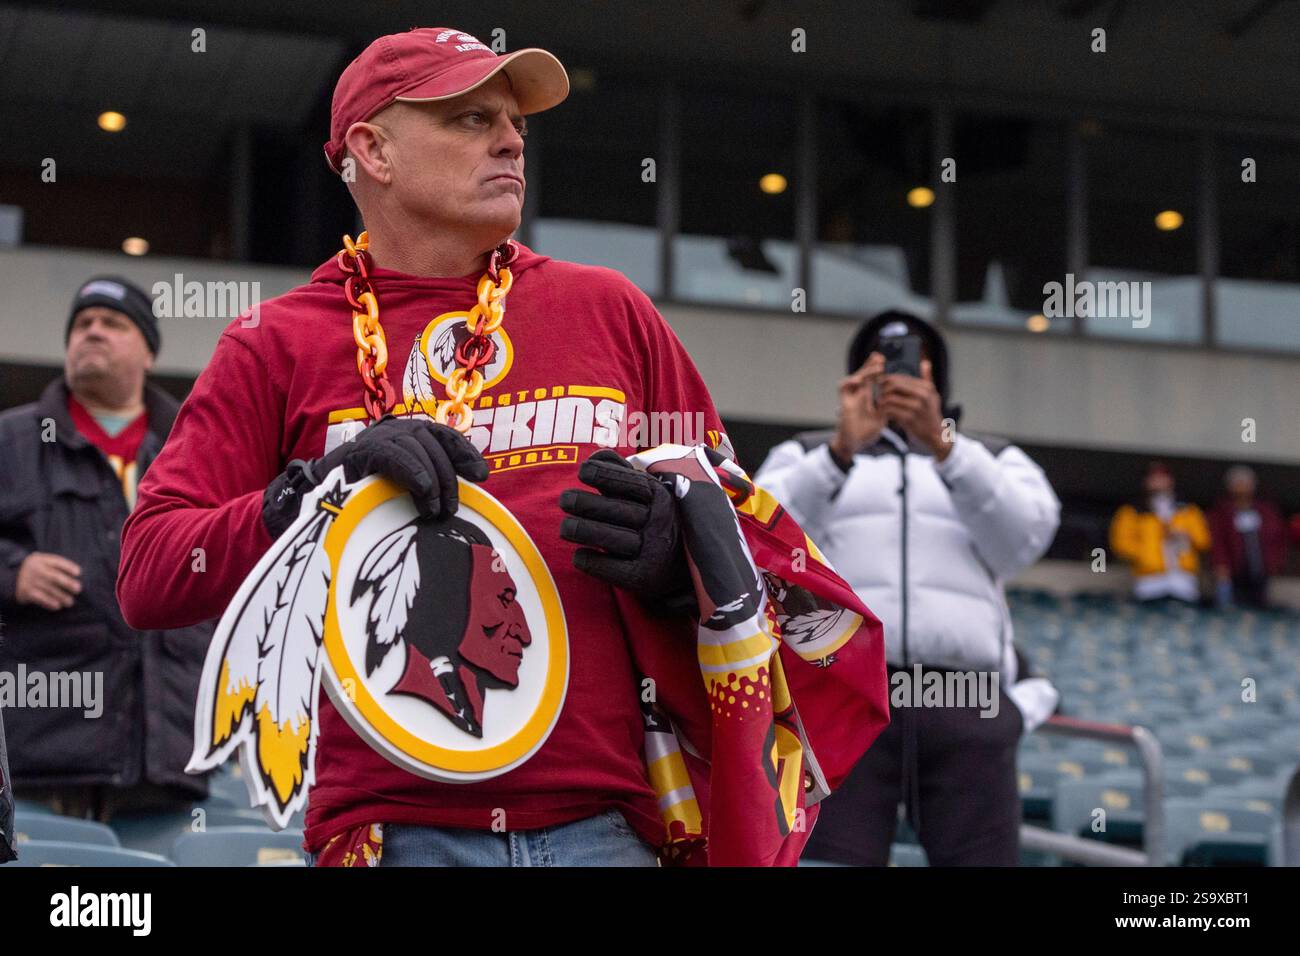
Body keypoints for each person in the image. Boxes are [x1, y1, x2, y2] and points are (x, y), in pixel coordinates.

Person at [117, 28, 881, 868]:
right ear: (373, 149)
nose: (512, 139)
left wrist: (676, 562)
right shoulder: (275, 341)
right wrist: (312, 496)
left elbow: (740, 541)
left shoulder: (609, 310)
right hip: (390, 830)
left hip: (610, 824)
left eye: (514, 122)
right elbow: (151, 573)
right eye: (470, 118)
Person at [754, 310, 1060, 866]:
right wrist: (839, 453)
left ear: (935, 379)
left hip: (967, 702)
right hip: (845, 694)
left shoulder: (989, 456)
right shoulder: (806, 454)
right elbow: (762, 545)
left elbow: (1024, 542)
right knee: (832, 861)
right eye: (880, 364)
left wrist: (945, 445)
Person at [0, 276, 211, 821]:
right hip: (38, 768)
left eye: (112, 324)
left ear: (148, 351)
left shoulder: (192, 453)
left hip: (167, 771)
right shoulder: (14, 441)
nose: (92, 332)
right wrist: (11, 572)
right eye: (82, 324)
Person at [1109, 462, 1210, 604]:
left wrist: (1183, 535)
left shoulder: (1188, 510)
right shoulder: (1132, 511)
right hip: (1150, 579)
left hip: (1182, 578)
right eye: (1154, 478)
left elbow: (1204, 541)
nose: (1158, 483)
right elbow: (1120, 544)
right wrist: (1146, 555)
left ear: (1171, 480)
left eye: (1162, 478)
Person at [1208, 465, 1287, 609]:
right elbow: (1218, 541)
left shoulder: (1266, 511)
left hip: (1260, 570)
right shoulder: (1223, 511)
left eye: (1245, 483)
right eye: (1238, 483)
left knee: (1260, 608)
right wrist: (1220, 564)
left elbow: (1277, 537)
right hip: (1233, 572)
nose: (1242, 487)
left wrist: (1275, 562)